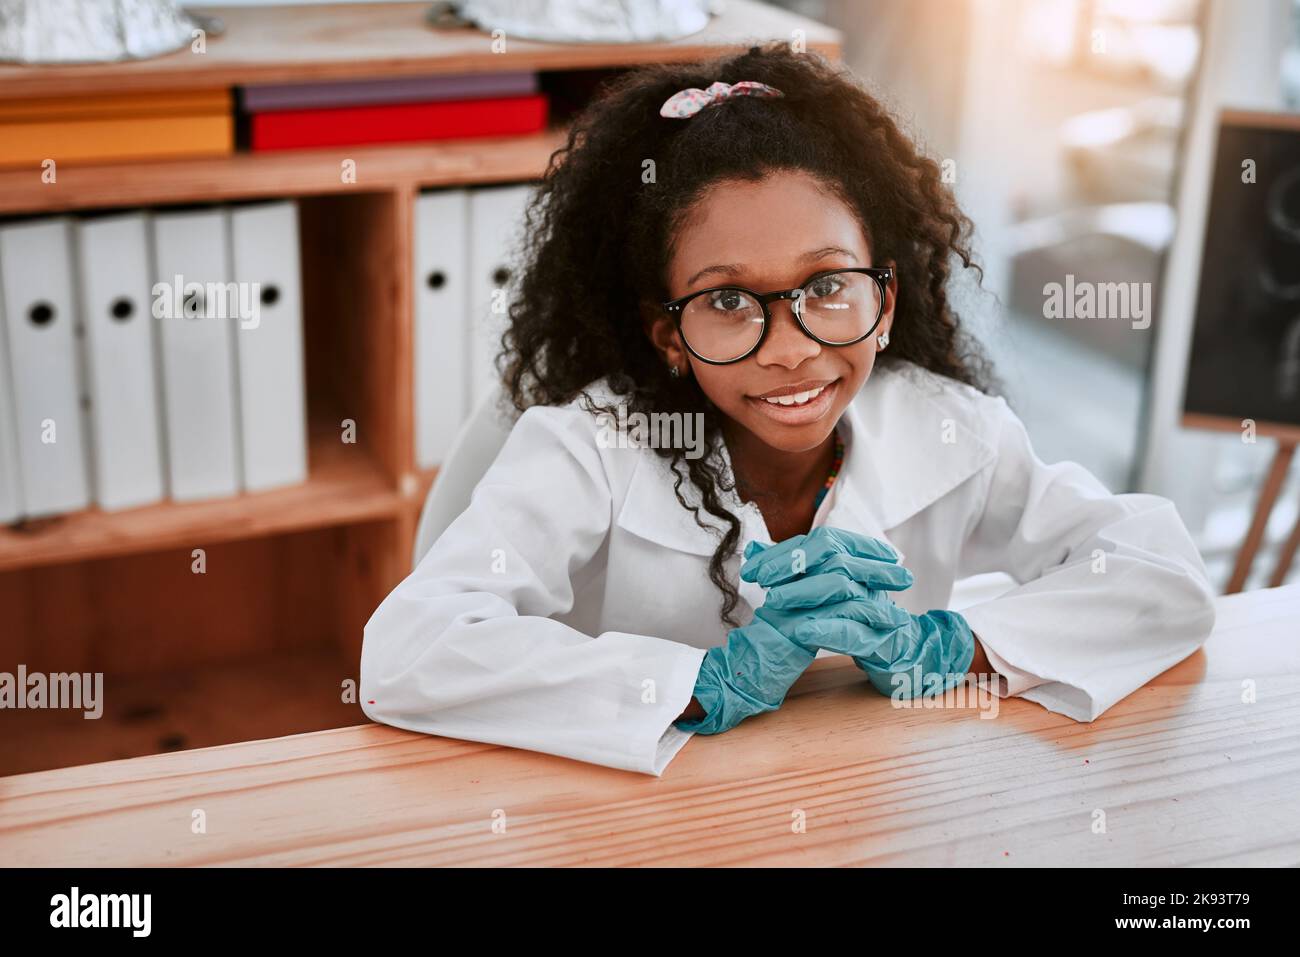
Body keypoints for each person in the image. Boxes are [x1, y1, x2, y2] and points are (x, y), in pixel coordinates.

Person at [360, 44, 1216, 775]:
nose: (790, 347)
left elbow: (1160, 574)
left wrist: (954, 646)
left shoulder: (954, 429)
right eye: (727, 301)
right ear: (667, 332)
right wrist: (699, 681)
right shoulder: (591, 446)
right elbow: (408, 650)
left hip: (868, 803)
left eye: (827, 286)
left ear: (885, 301)